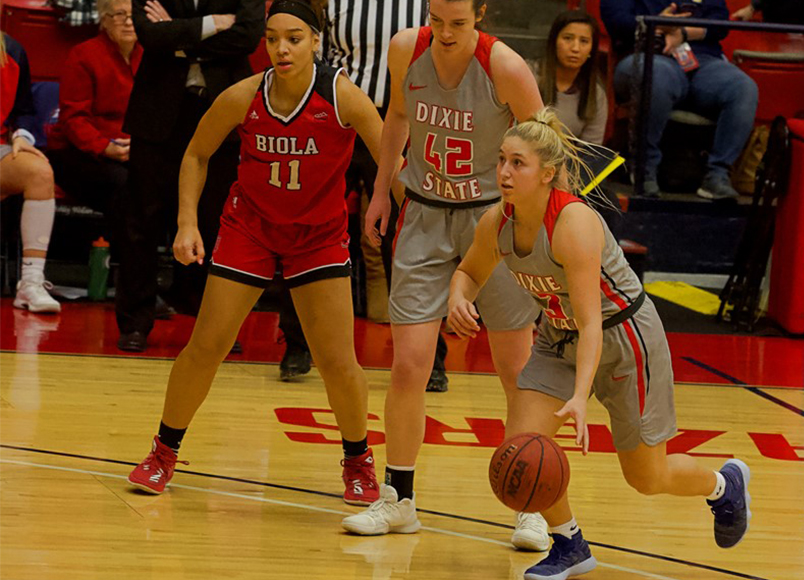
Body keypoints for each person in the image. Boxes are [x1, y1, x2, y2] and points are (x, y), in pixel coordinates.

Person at [448, 109, 752, 580]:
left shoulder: (573, 224)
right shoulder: (496, 222)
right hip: (556, 336)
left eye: (518, 163)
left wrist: (578, 396)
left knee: (646, 478)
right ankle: (569, 543)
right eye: (502, 161)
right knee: (524, 447)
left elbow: (592, 322)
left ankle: (723, 484)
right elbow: (469, 271)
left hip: (624, 338)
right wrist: (458, 298)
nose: (505, 172)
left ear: (547, 174)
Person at [127, 0, 385, 507]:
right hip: (250, 230)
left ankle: (358, 461)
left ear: (316, 41)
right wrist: (185, 222)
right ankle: (162, 453)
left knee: (337, 360)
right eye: (271, 38)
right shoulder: (243, 95)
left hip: (318, 237)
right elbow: (196, 154)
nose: (281, 48)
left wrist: (383, 206)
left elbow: (390, 156)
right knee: (206, 347)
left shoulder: (343, 97)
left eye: (293, 38)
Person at [341, 0, 550, 552]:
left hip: (494, 219)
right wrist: (381, 190)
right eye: (437, 21)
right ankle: (399, 498)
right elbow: (397, 120)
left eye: (458, 23)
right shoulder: (406, 50)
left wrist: (543, 228)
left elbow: (545, 146)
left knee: (517, 369)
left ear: (480, 15)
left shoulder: (505, 67)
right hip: (425, 216)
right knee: (408, 364)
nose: (445, 33)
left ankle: (531, 505)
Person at [278, 0, 453, 392]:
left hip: (403, 123)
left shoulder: (427, 4)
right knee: (308, 225)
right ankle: (296, 343)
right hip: (337, 119)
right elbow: (313, 53)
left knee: (410, 238)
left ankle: (431, 356)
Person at [117, 0, 264, 352]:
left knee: (220, 223)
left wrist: (179, 37)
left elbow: (247, 37)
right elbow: (151, 35)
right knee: (142, 221)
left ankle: (216, 327)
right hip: (157, 115)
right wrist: (213, 23)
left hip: (220, 111)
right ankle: (135, 321)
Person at [601, 0, 758, 200]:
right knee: (656, 76)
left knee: (743, 88)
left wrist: (683, 32)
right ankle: (643, 168)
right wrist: (657, 24)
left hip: (702, 60)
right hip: (646, 53)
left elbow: (720, 22)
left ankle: (717, 175)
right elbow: (617, 21)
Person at [47, 0, 142, 231]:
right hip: (78, 152)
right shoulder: (83, 55)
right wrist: (105, 148)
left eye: (133, 15)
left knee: (163, 180)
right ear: (104, 20)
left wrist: (142, 145)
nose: (129, 22)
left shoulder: (151, 56)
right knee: (127, 186)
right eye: (119, 15)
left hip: (133, 149)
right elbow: (73, 119)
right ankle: (120, 259)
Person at [1, 33, 61, 314]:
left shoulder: (12, 49)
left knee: (39, 172)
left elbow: (23, 110)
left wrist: (22, 134)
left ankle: (30, 282)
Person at [539, 10, 608, 144]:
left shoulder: (596, 94)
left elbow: (590, 152)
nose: (575, 48)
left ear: (591, 49)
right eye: (568, 38)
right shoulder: (529, 76)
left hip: (569, 164)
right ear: (554, 42)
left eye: (584, 41)